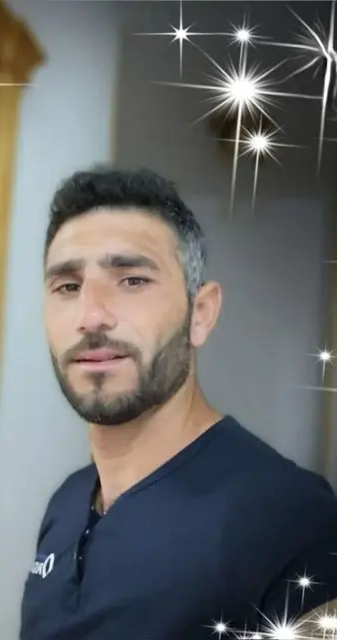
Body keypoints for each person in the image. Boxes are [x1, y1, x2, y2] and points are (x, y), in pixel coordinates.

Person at [20, 166, 337, 640]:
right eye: (68, 286)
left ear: (200, 314)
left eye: (132, 280)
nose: (91, 316)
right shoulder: (66, 504)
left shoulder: (290, 516)